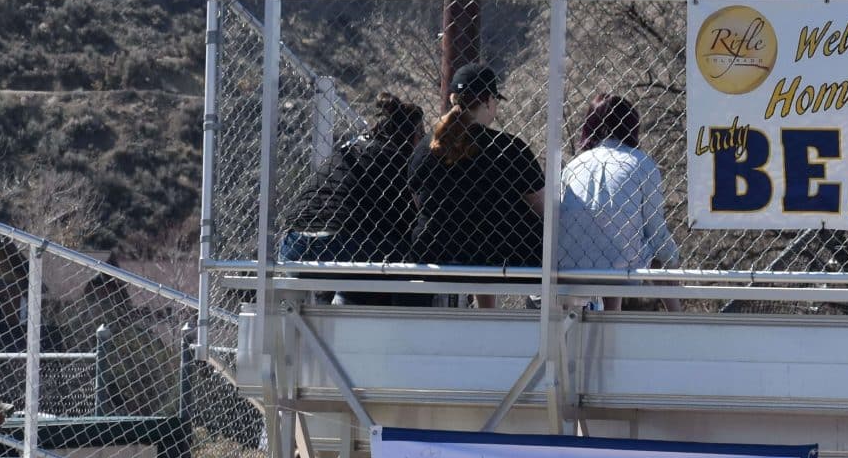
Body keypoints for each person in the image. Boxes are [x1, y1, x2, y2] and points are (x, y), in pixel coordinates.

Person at [407, 64, 545, 303]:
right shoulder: (508, 148)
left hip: (434, 251)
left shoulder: (424, 148)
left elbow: (419, 202)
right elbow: (541, 207)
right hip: (503, 254)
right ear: (489, 100)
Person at [286, 94, 423, 302]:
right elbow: (410, 224)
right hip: (343, 246)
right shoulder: (400, 162)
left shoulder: (348, 150)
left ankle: (328, 313)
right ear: (414, 137)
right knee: (406, 255)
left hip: (294, 247)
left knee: (363, 245)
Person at [557, 93, 679, 293]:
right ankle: (677, 318)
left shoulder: (572, 166)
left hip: (569, 267)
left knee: (610, 241)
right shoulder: (642, 163)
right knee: (653, 249)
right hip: (621, 270)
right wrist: (673, 257)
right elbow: (655, 229)